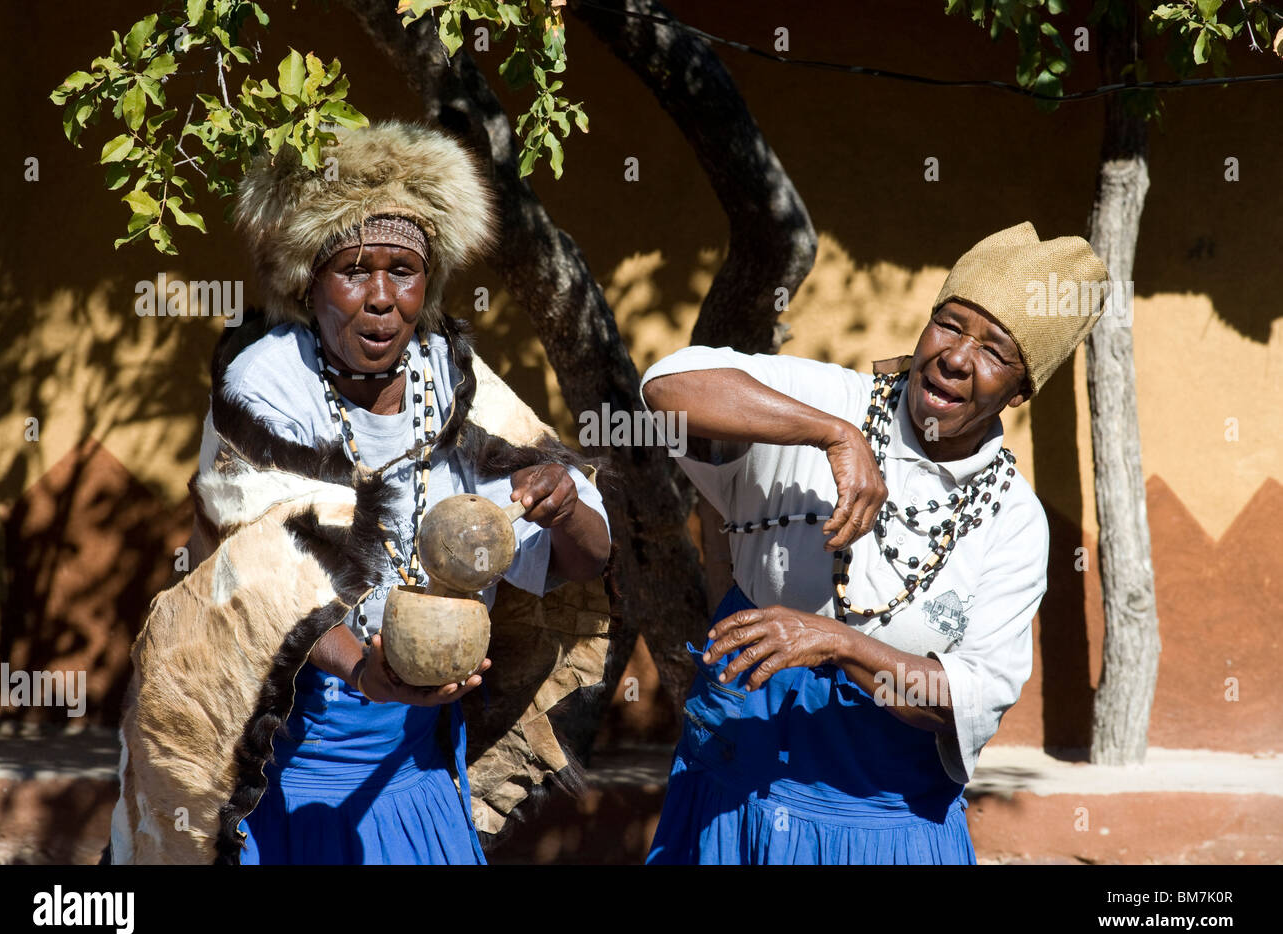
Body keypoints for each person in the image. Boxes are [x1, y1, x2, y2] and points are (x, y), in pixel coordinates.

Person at [191, 121, 611, 864]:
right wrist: (364, 670)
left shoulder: (455, 383)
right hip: (280, 770)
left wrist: (566, 503)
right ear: (309, 282)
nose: (382, 299)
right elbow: (258, 578)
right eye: (354, 269)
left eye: (404, 271)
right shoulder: (266, 384)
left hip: (415, 771)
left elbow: (586, 561)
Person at [640, 221, 1109, 864]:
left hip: (882, 830)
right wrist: (829, 433)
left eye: (995, 351)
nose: (956, 357)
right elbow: (666, 389)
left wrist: (834, 640)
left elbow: (963, 701)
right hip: (731, 800)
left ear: (1021, 391)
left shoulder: (1014, 521)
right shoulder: (835, 399)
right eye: (949, 324)